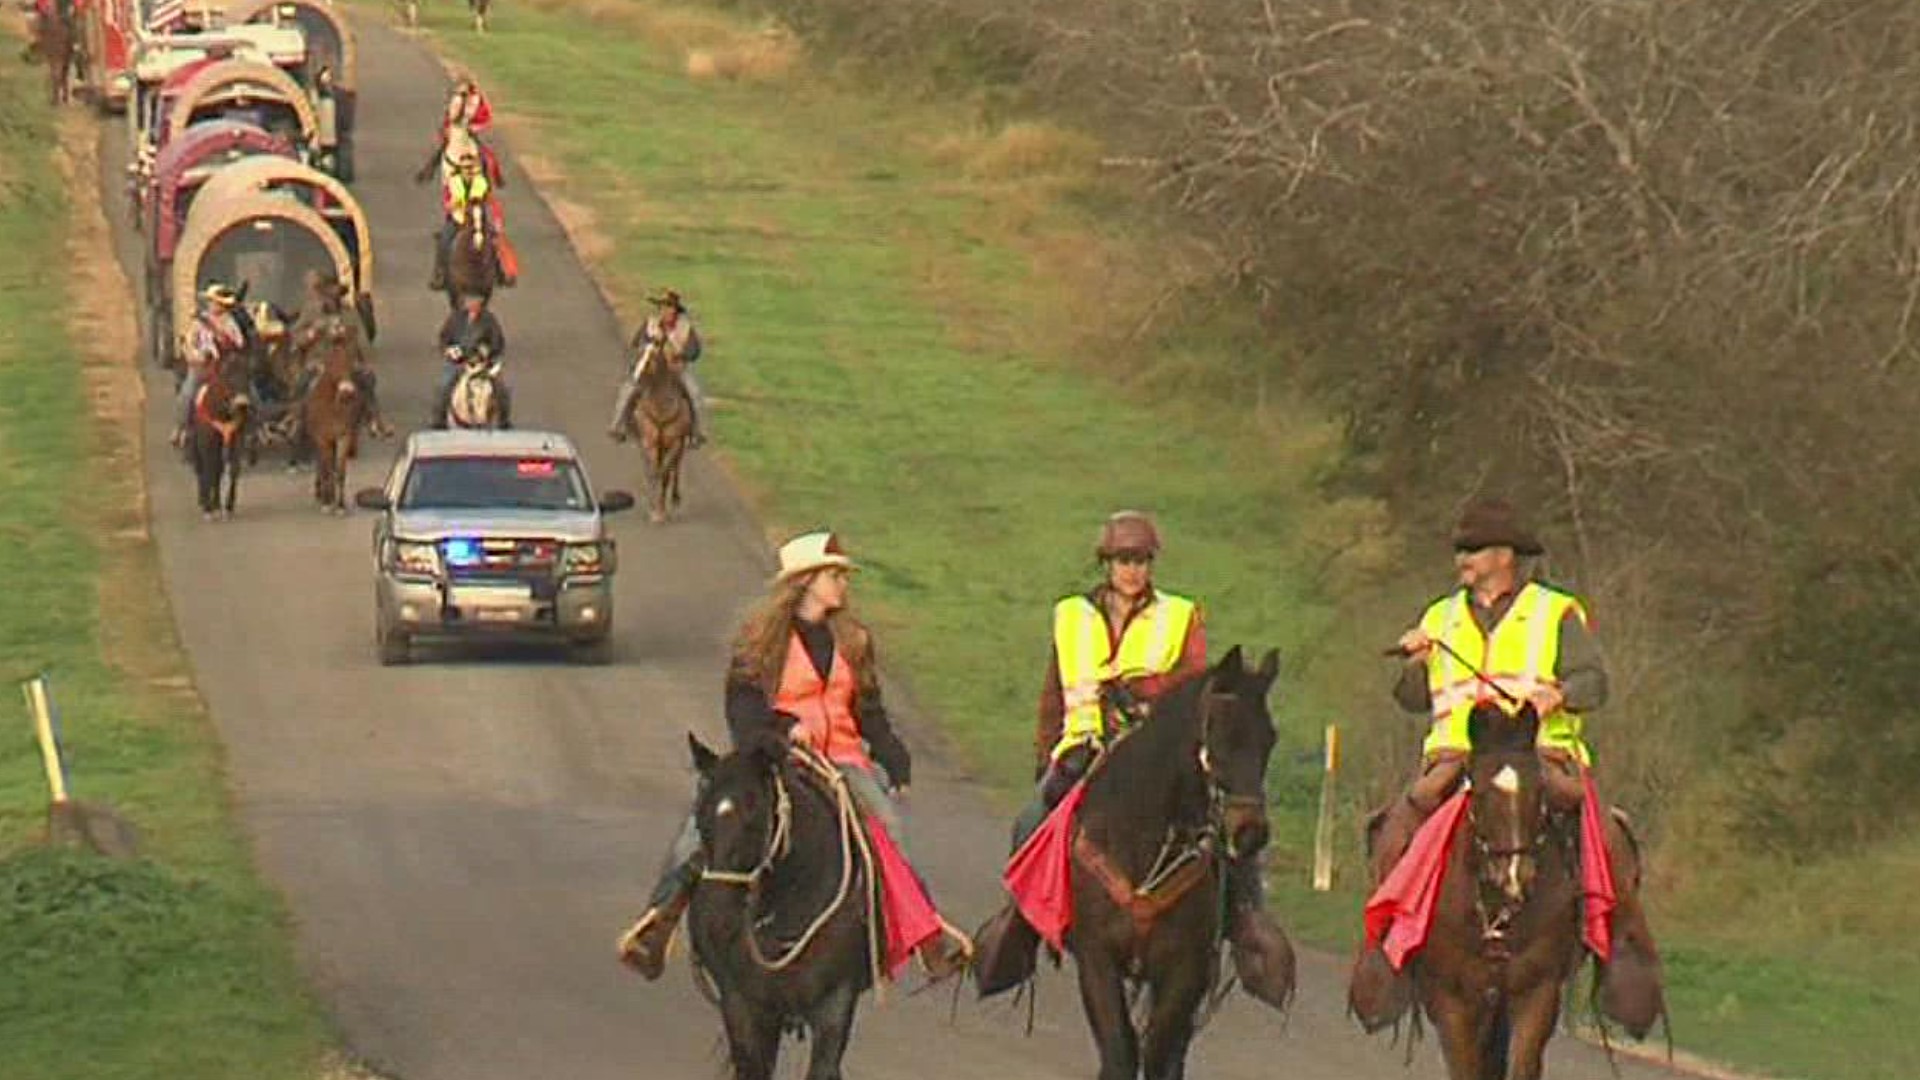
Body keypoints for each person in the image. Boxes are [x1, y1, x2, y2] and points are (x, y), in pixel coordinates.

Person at [1347, 496, 1666, 1037]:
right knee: (1395, 831)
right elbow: (1410, 698)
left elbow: (1596, 683)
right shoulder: (1438, 616)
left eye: (1473, 550)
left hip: (1541, 756)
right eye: (1460, 550)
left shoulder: (1555, 612)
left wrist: (1556, 695)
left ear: (1506, 556)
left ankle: (1624, 957)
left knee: (1608, 837)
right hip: (1457, 758)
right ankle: (1387, 961)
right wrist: (1417, 663)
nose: (1462, 559)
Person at [615, 530, 974, 982]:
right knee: (707, 820)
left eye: (842, 576)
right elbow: (743, 706)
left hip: (842, 758)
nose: (843, 584)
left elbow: (869, 709)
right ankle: (659, 920)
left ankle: (926, 934)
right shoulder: (760, 641)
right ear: (805, 582)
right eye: (834, 575)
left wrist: (892, 753)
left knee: (888, 825)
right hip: (776, 754)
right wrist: (782, 729)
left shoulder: (854, 640)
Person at [972, 510, 1295, 1006]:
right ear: (1107, 563)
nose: (1133, 570)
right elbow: (1053, 694)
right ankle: (1020, 926)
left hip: (1156, 751)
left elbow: (1195, 682)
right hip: (1084, 749)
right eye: (1124, 560)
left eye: (1142, 560)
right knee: (1031, 820)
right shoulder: (1072, 616)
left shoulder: (1180, 615)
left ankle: (1248, 919)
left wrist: (1141, 689)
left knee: (1221, 823)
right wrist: (1046, 757)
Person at [289, 273, 390, 438]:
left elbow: (362, 340)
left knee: (367, 380)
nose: (332, 299)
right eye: (328, 295)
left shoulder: (349, 314)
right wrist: (312, 333)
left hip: (346, 363)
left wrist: (363, 358)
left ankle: (375, 420)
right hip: (319, 362)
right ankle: (294, 421)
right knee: (303, 384)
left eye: (335, 295)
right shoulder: (311, 312)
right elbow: (295, 337)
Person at [607, 289, 706, 447]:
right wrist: (647, 347)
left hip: (676, 368)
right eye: (663, 307)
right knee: (629, 388)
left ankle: (697, 432)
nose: (666, 311)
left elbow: (695, 350)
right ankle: (618, 425)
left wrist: (682, 353)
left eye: (669, 307)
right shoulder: (650, 324)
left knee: (694, 393)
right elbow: (636, 342)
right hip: (651, 366)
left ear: (676, 311)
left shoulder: (685, 328)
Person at [172, 283, 247, 447]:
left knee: (245, 387)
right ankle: (182, 427)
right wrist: (198, 357)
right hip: (203, 367)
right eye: (211, 302)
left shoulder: (230, 322)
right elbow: (189, 344)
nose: (213, 305)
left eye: (215, 302)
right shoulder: (199, 322)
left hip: (225, 366)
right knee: (188, 392)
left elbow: (239, 342)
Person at [432, 293, 510, 429]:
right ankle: (439, 419)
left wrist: (487, 352)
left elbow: (498, 341)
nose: (472, 305)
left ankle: (504, 419)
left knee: (502, 387)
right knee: (444, 386)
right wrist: (449, 350)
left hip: (482, 362)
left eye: (475, 302)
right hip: (458, 362)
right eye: (469, 302)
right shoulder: (455, 319)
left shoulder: (489, 320)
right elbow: (444, 337)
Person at [430, 152, 500, 292]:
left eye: (470, 168)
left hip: (476, 218)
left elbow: (479, 199)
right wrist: (454, 205)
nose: (468, 171)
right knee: (444, 241)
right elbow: (448, 204)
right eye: (465, 168)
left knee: (493, 240)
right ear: (460, 169)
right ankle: (440, 274)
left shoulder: (480, 182)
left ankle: (499, 273)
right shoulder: (453, 182)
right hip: (458, 219)